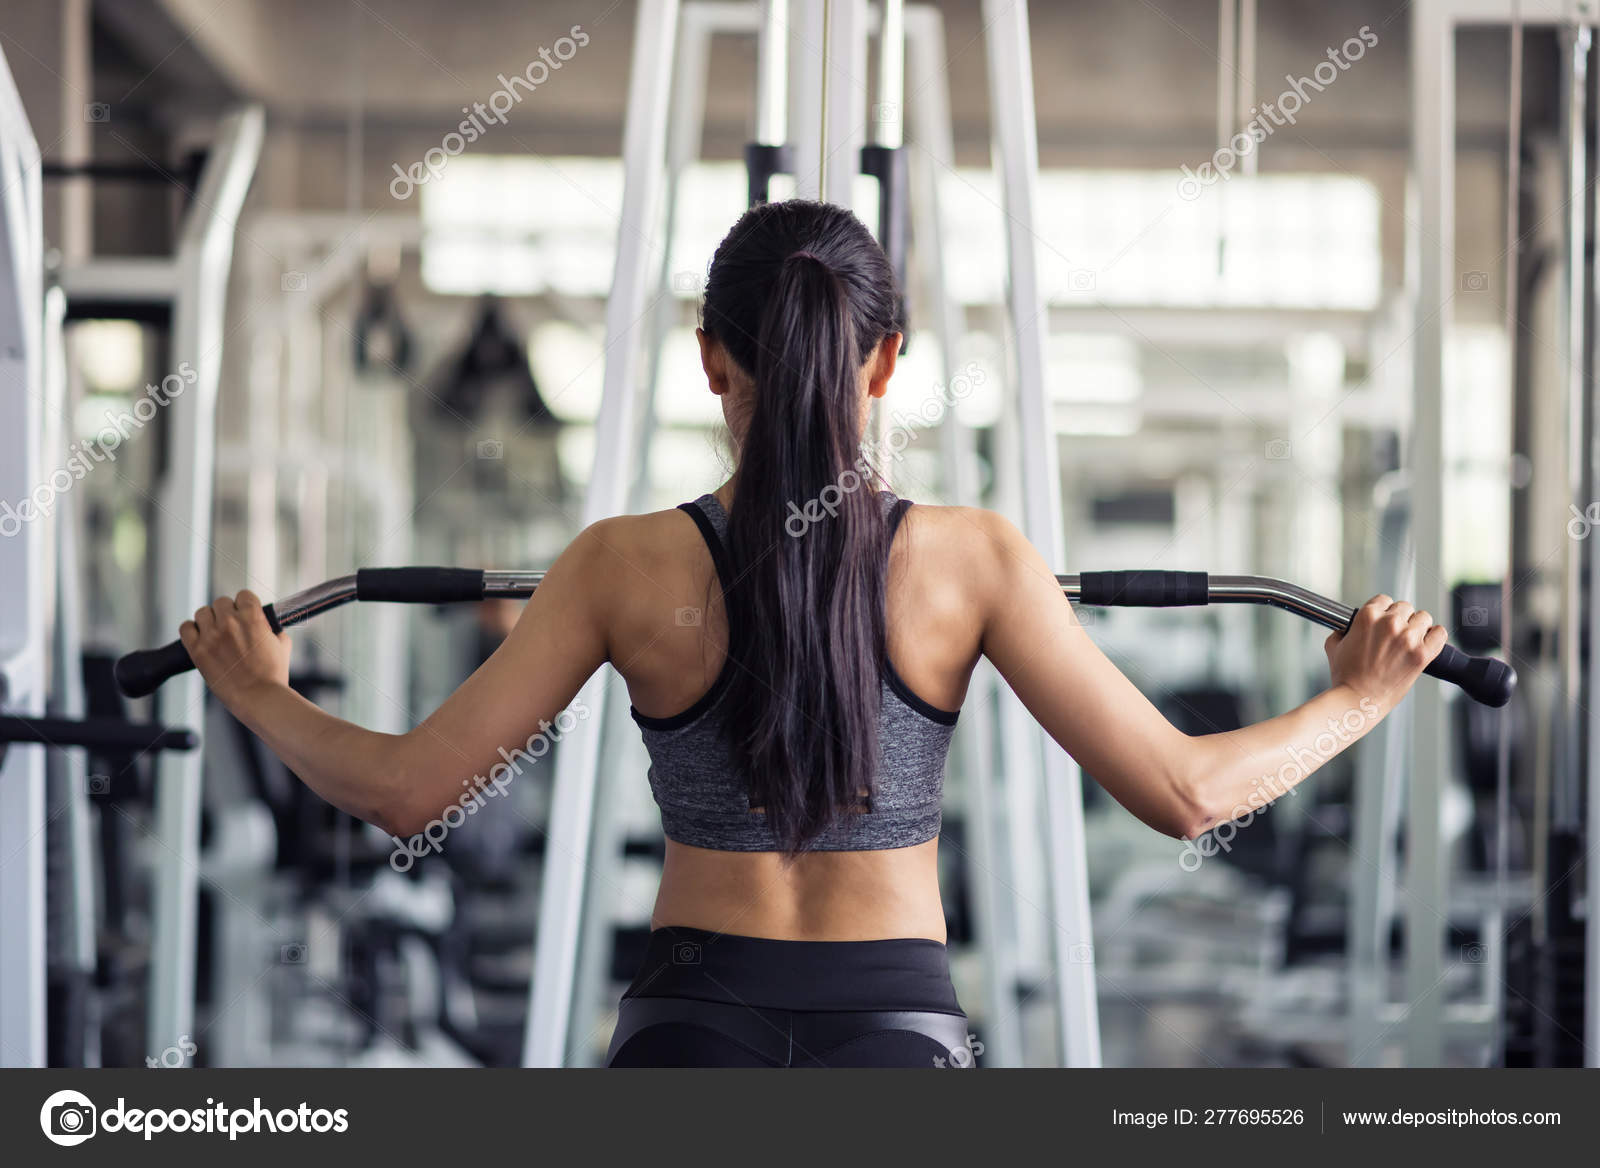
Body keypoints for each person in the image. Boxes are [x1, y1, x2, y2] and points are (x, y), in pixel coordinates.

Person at [180, 199, 1447, 1068]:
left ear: (709, 361)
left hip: (688, 1029)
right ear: (886, 359)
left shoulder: (620, 563)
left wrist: (256, 688)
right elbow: (1184, 793)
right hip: (893, 1030)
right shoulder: (974, 561)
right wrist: (1360, 695)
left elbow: (411, 792)